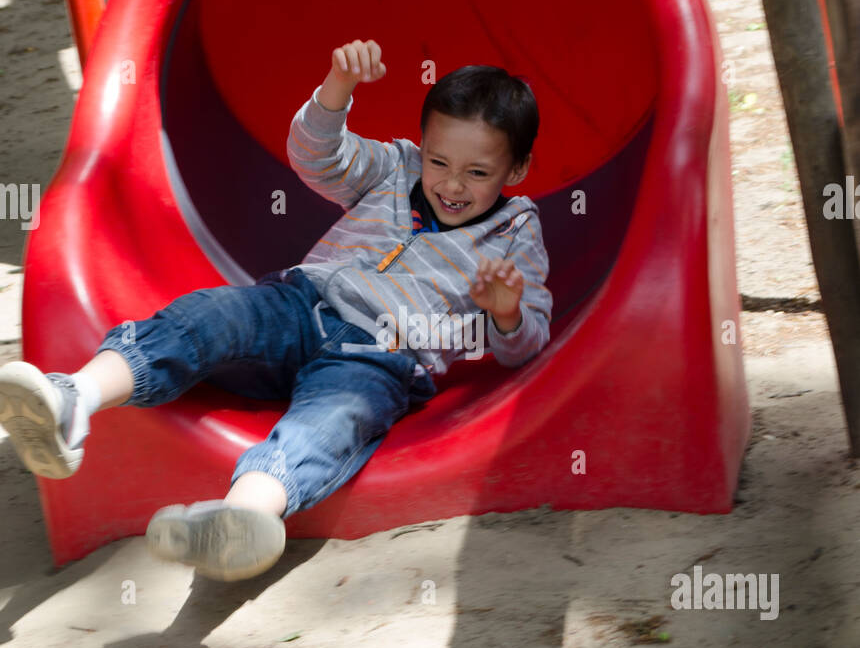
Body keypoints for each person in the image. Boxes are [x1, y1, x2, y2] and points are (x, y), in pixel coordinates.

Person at [0, 39, 552, 581]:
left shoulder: (515, 234)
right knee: (209, 315)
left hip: (382, 352)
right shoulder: (394, 169)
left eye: (477, 173)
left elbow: (526, 342)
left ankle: (243, 517)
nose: (452, 184)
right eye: (439, 161)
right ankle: (74, 398)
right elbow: (317, 158)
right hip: (297, 301)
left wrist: (506, 313)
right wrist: (338, 87)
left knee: (331, 421)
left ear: (517, 170)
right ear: (422, 144)